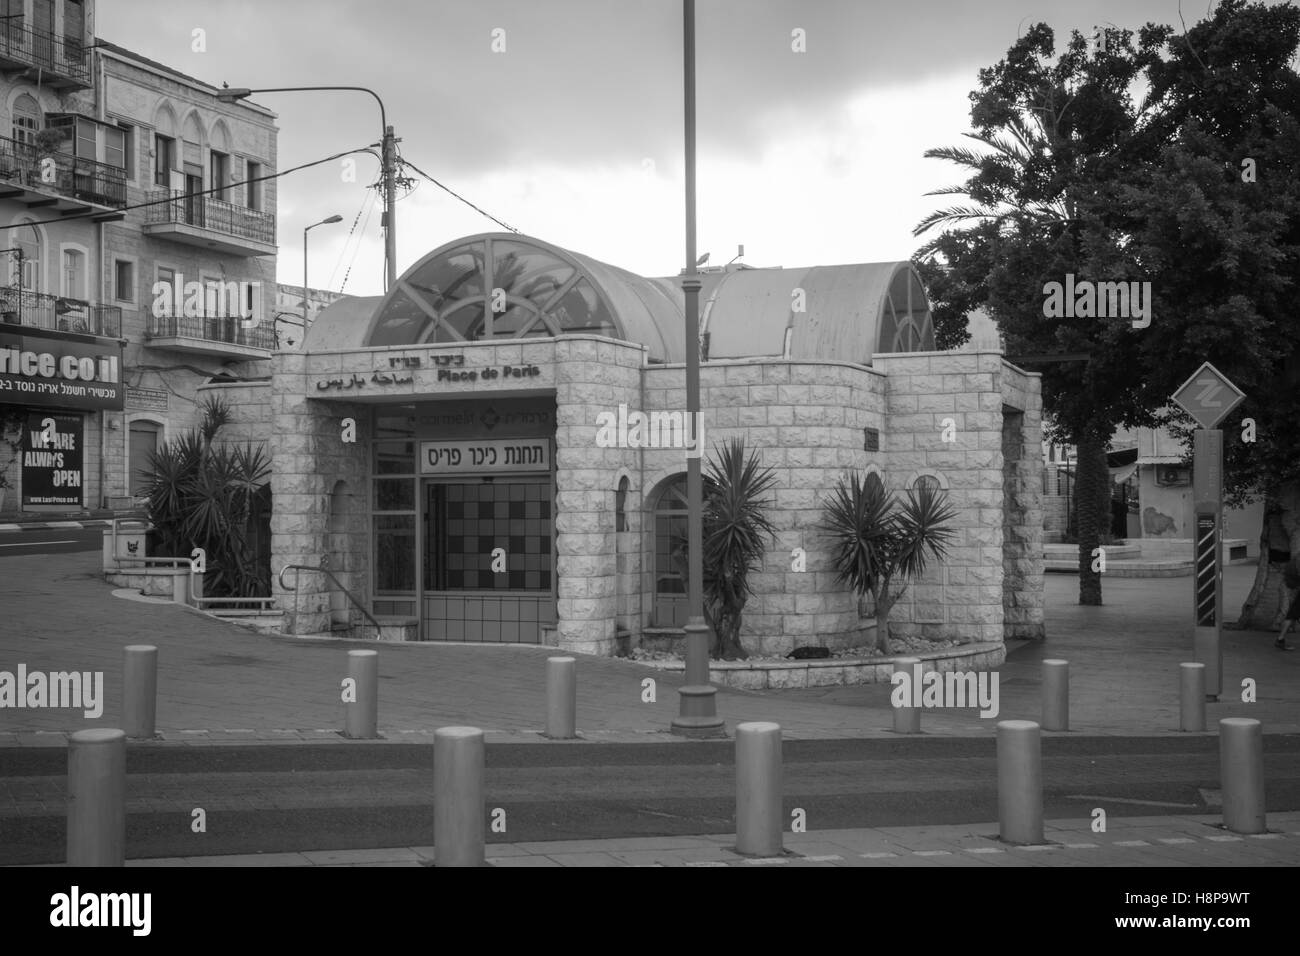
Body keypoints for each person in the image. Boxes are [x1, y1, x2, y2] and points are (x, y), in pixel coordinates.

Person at [1278, 556, 1300, 650]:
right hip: (1289, 587)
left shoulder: (1297, 558)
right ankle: (1280, 640)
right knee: (1290, 614)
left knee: (1291, 615)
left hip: (1292, 587)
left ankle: (1280, 640)